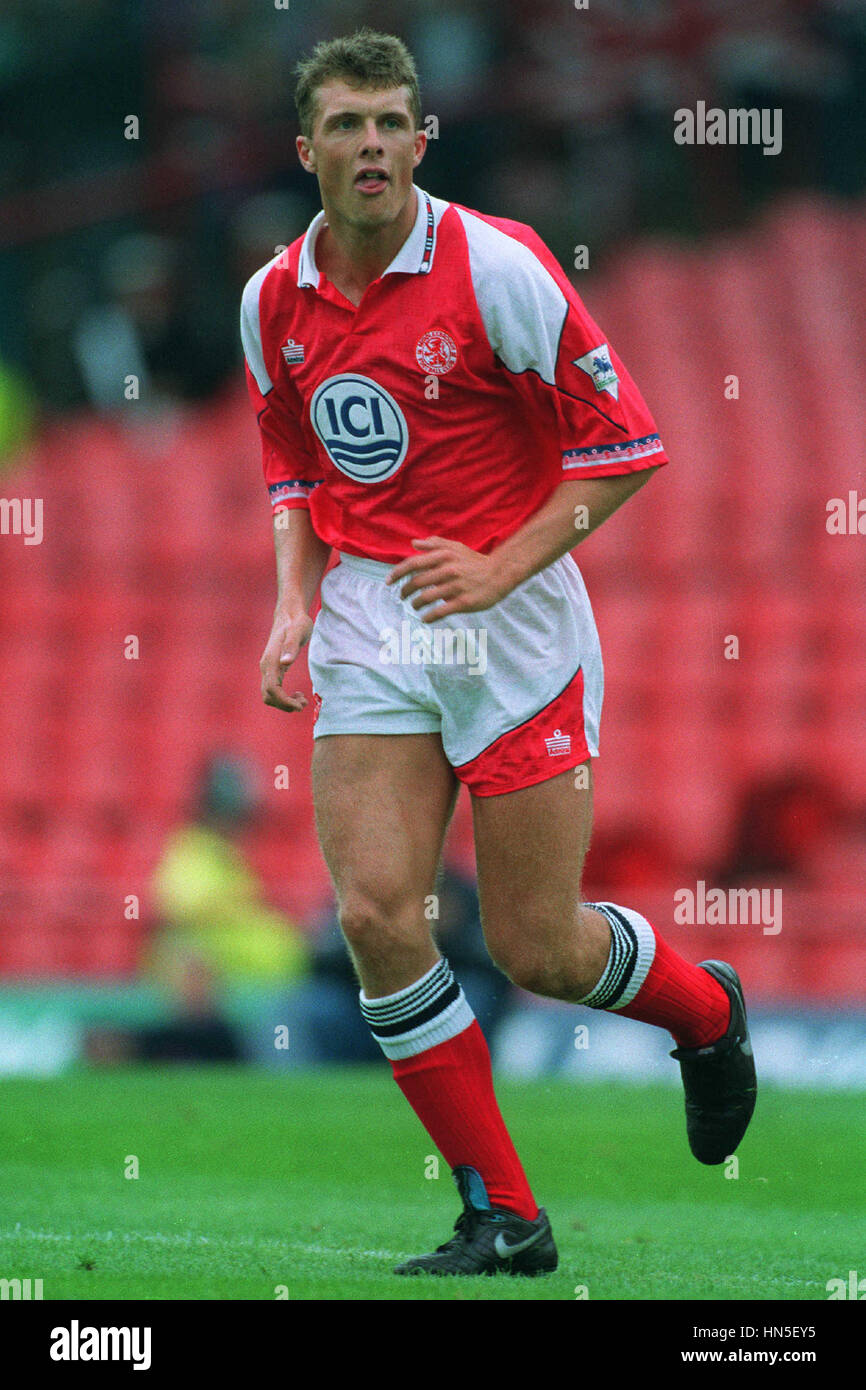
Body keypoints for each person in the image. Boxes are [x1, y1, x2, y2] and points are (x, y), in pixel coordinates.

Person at [240, 28, 756, 1278]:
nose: (371, 145)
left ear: (423, 138)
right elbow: (296, 468)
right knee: (373, 912)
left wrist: (496, 566)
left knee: (537, 947)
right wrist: (293, 603)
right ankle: (503, 1216)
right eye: (346, 125)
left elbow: (625, 445)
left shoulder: (497, 265)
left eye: (390, 123)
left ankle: (705, 1012)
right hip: (371, 617)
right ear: (305, 147)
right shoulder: (271, 301)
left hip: (510, 623)